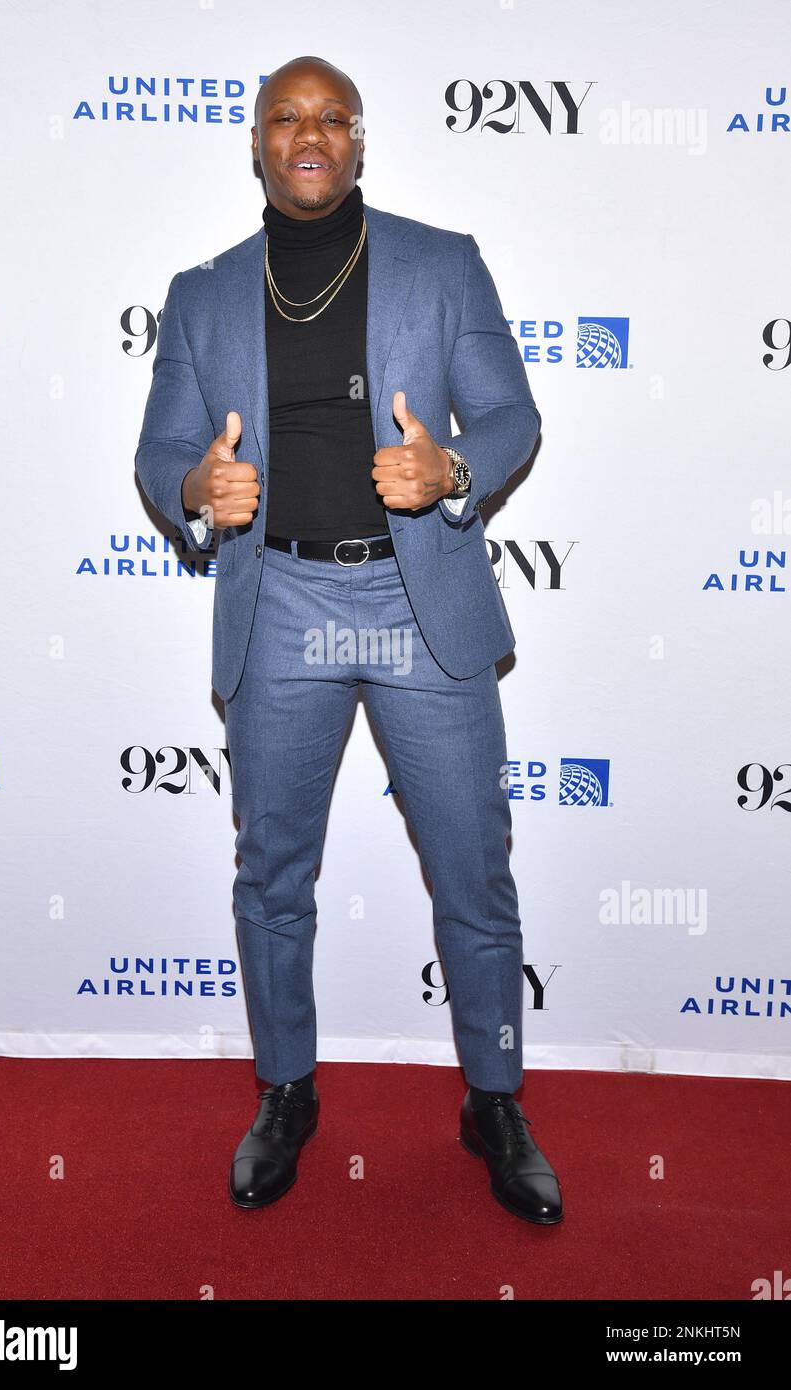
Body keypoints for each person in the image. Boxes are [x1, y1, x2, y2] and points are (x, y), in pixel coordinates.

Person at [135, 54, 563, 1225]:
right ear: (258, 144)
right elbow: (159, 449)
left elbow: (515, 410)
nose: (308, 135)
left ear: (361, 142)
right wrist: (195, 483)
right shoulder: (203, 290)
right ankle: (286, 1089)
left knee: (474, 871)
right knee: (272, 876)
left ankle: (494, 1096)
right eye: (286, 117)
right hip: (277, 604)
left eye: (331, 118)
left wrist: (453, 467)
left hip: (419, 607)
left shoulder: (442, 261)